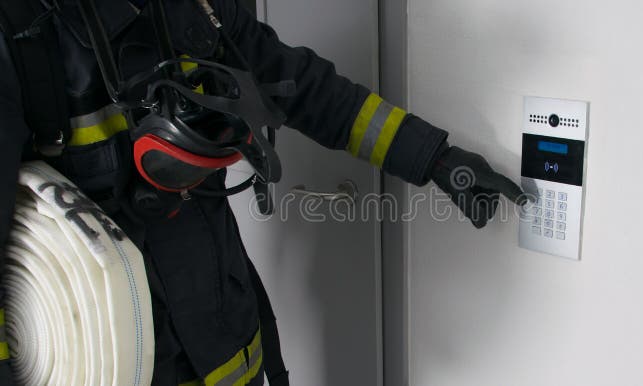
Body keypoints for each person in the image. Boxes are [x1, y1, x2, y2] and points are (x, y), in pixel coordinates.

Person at [0, 0, 524, 385]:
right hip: (102, 355)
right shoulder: (18, 34)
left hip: (228, 333)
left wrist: (436, 159)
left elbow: (302, 87)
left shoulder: (193, 9)